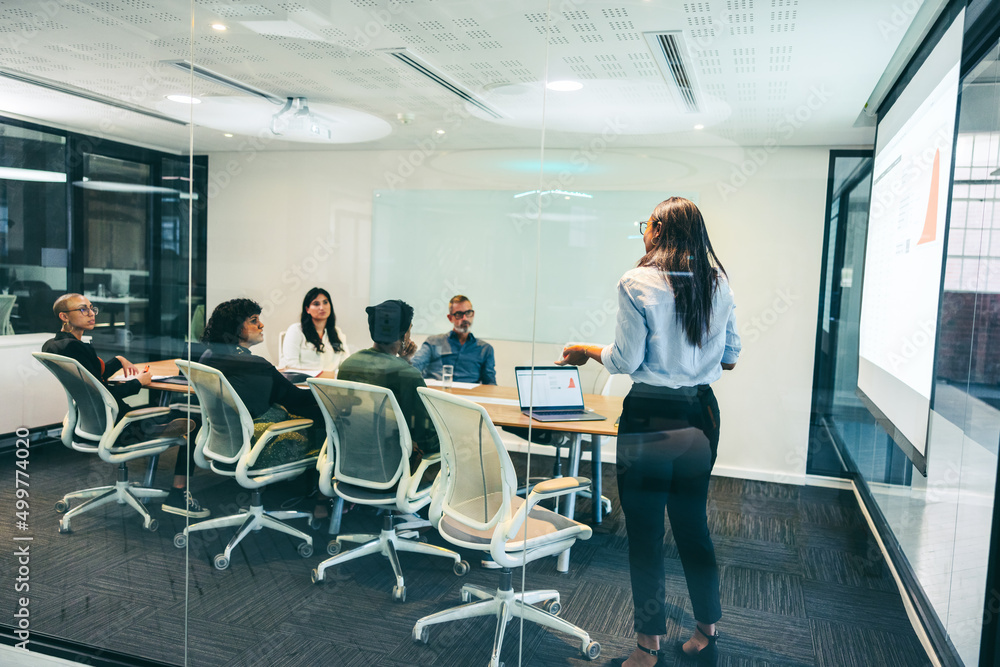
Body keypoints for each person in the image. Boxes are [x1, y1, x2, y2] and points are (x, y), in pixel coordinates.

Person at [556, 198, 740, 667]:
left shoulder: (636, 282)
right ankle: (706, 630)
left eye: (646, 225)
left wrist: (582, 349)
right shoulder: (718, 283)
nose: (643, 233)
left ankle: (646, 649)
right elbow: (731, 357)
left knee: (644, 531)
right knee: (693, 522)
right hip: (701, 412)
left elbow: (625, 361)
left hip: (652, 417)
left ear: (656, 230)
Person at [42, 293, 208, 519]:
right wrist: (138, 382)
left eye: (92, 308)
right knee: (194, 422)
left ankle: (159, 434)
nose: (91, 314)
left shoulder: (55, 346)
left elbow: (93, 383)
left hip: (91, 424)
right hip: (121, 426)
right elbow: (105, 394)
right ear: (64, 316)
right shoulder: (77, 349)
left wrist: (118, 361)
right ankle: (178, 496)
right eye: (82, 310)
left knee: (176, 416)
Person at [337, 299, 439, 464]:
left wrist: (403, 361)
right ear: (404, 334)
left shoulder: (348, 364)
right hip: (391, 469)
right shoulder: (408, 375)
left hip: (350, 464)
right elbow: (426, 436)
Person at [411, 294, 495, 385]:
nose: (465, 318)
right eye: (459, 314)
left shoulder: (485, 349)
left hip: (467, 397)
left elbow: (490, 383)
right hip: (436, 394)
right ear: (450, 318)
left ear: (473, 314)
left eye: (468, 313)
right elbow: (414, 366)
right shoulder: (434, 342)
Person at [279, 287, 349, 371]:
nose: (322, 307)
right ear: (307, 309)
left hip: (330, 382)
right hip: (302, 382)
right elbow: (291, 366)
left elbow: (345, 363)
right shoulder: (296, 330)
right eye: (316, 304)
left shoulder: (337, 332)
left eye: (325, 302)